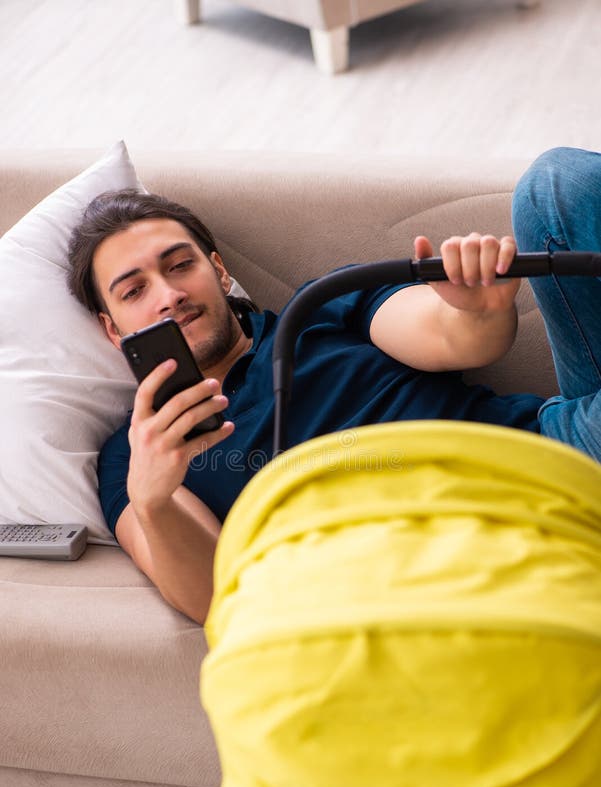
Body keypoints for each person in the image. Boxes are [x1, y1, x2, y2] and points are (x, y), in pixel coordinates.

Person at [67, 147, 601, 625]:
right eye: (134, 291)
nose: (168, 296)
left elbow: (456, 338)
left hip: (553, 454)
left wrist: (477, 311)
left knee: (557, 184)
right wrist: (153, 498)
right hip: (453, 557)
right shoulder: (131, 460)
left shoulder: (321, 306)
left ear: (218, 270)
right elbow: (214, 600)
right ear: (112, 329)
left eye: (179, 265)